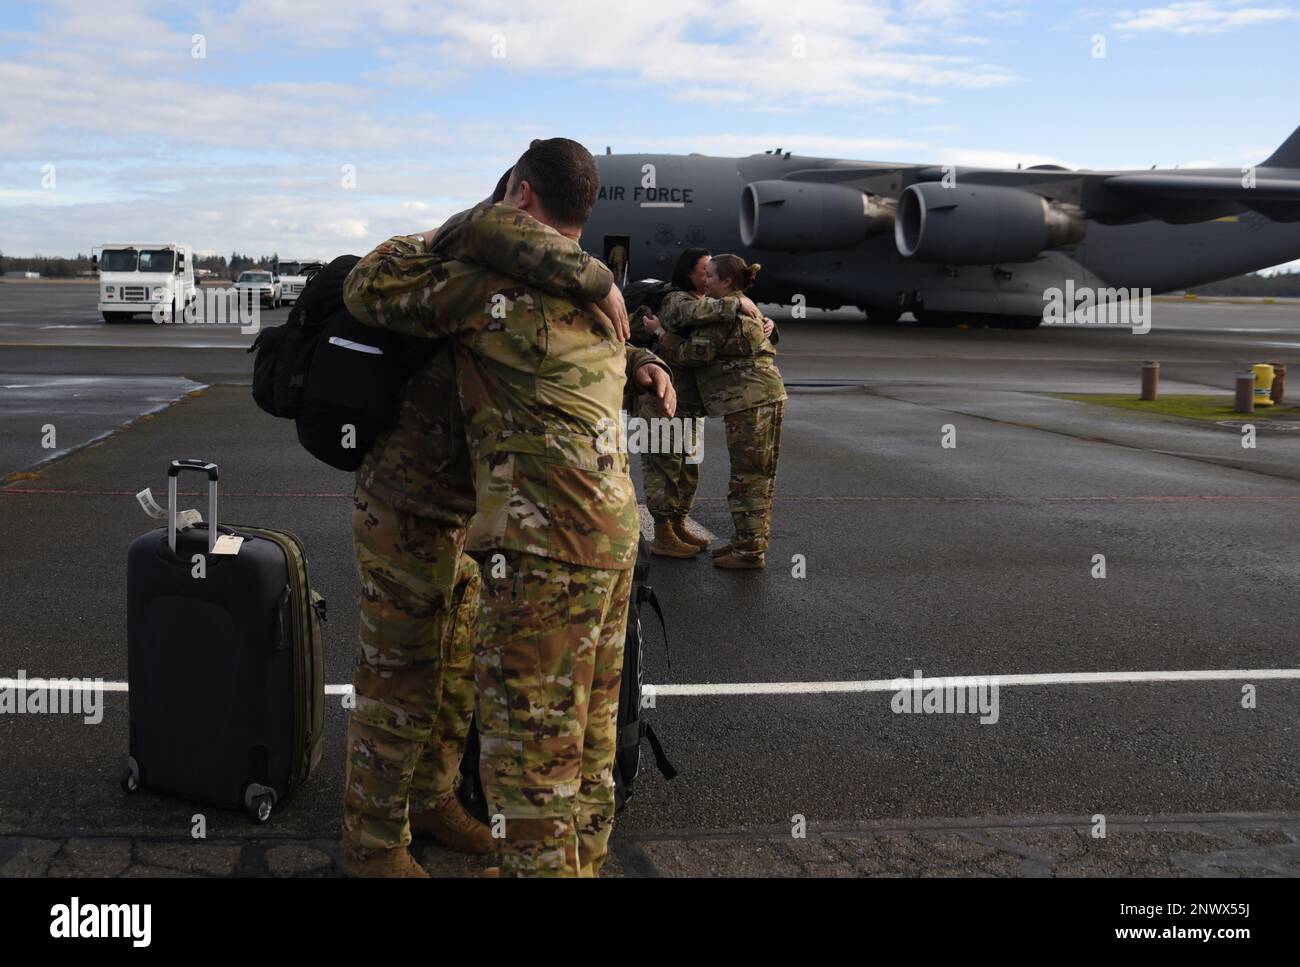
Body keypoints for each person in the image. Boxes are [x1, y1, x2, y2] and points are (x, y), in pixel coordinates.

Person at [344, 138, 675, 877]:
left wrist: (645, 360)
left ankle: (433, 802)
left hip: (493, 521)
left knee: (464, 682)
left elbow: (579, 367)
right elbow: (367, 284)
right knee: (403, 677)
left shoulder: (573, 295)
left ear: (521, 200)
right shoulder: (471, 276)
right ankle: (372, 842)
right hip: (412, 504)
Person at [650, 254, 785, 569]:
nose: (705, 281)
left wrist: (660, 334)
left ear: (726, 281)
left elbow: (693, 354)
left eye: (710, 276)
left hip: (750, 402)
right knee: (753, 474)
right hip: (757, 400)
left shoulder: (724, 313)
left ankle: (750, 552)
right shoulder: (742, 303)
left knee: (749, 477)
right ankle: (744, 543)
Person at [629, 247, 713, 558]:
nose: (710, 275)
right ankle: (663, 534)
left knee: (687, 466)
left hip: (689, 401)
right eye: (705, 270)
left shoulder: (705, 303)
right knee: (662, 465)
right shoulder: (678, 301)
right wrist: (737, 304)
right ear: (688, 273)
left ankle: (678, 524)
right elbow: (696, 321)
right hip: (661, 399)